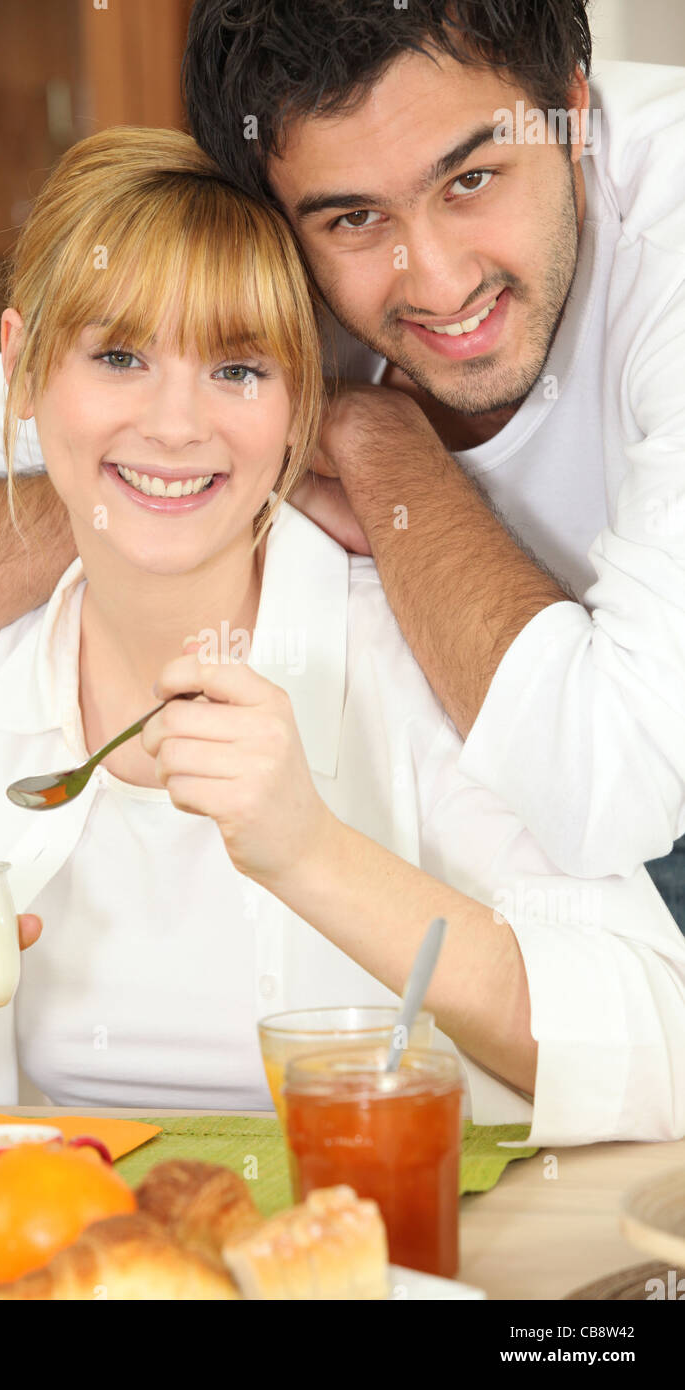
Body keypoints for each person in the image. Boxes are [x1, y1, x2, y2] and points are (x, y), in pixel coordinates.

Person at [0, 127, 683, 1144]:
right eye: (118, 356)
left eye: (235, 369)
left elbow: (657, 1048)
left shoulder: (398, 652)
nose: (175, 424)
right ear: (21, 370)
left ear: (298, 402)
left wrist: (310, 851)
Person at [180, 0, 685, 924]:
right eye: (356, 220)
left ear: (573, 112)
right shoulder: (264, 253)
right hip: (480, 826)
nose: (443, 285)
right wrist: (153, 481)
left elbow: (613, 795)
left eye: (472, 180)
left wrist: (377, 445)